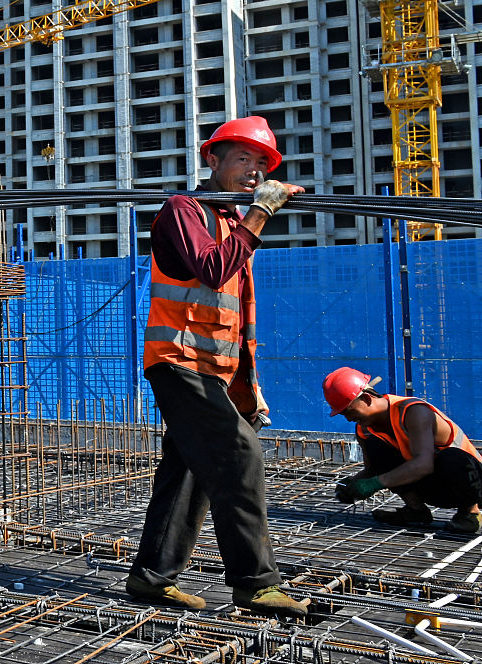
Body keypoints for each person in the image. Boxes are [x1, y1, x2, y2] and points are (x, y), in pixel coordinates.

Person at [126, 116, 309, 619]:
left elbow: (237, 318)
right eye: (243, 159)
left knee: (187, 469)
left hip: (218, 372)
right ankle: (256, 582)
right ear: (212, 159)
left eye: (263, 164)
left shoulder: (231, 224)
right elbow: (210, 269)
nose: (254, 172)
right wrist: (260, 214)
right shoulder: (184, 210)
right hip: (178, 361)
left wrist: (250, 389)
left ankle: (151, 576)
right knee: (240, 455)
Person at [325, 367, 482, 534]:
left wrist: (375, 484)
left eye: (349, 411)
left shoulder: (413, 412)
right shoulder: (364, 430)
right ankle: (416, 511)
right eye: (343, 414)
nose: (348, 418)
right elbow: (373, 469)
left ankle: (469, 513)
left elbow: (424, 465)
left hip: (471, 484)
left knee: (452, 458)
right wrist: (352, 484)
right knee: (376, 448)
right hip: (433, 486)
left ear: (366, 398)